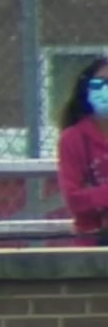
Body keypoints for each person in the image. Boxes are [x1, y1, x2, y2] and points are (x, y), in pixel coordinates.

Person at [54, 56, 108, 247]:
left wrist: (96, 197)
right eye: (100, 83)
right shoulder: (73, 139)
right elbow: (74, 200)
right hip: (93, 242)